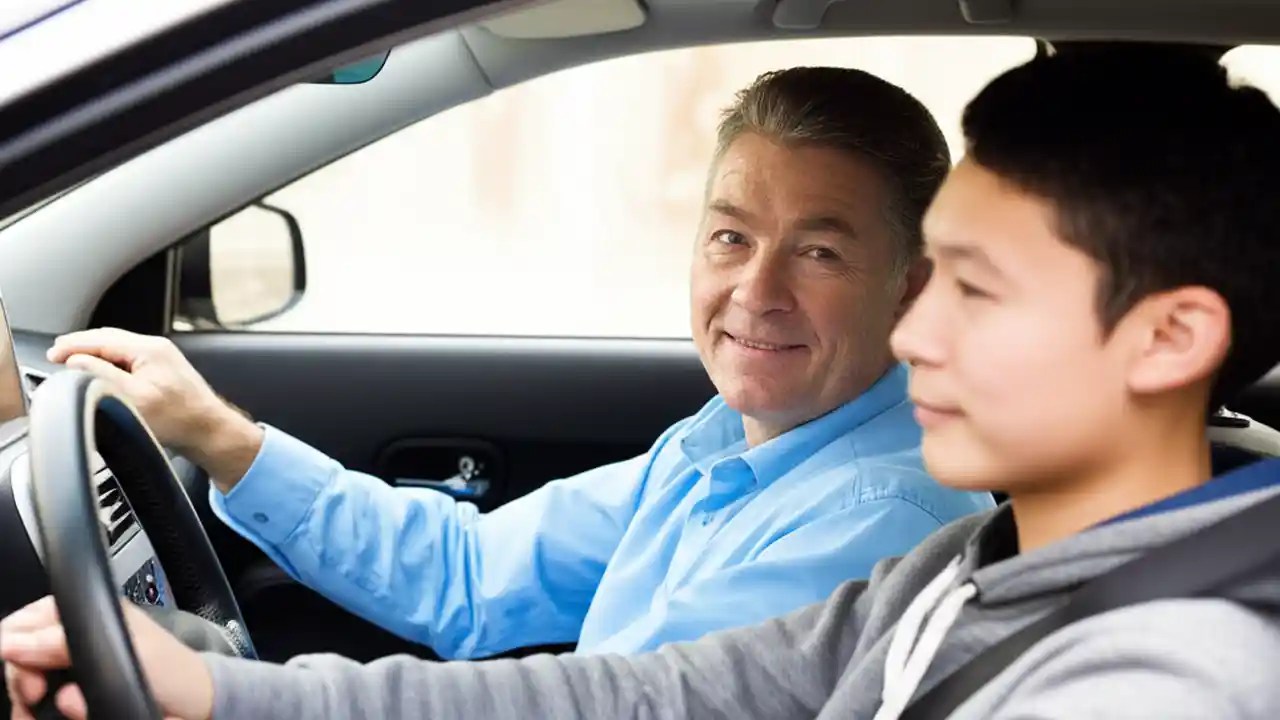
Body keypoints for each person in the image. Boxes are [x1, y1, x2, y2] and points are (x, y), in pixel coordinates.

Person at [10, 44, 1280, 720]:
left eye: (972, 289)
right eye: (931, 274)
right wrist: (220, 690)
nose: (920, 332)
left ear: (1166, 341)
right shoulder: (977, 560)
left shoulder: (1153, 682)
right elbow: (638, 694)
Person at [31, 67, 992, 661]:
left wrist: (220, 694)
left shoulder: (879, 518)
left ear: (910, 288)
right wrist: (221, 441)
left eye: (819, 253)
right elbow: (470, 574)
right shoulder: (729, 446)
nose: (757, 289)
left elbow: (609, 707)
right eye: (732, 237)